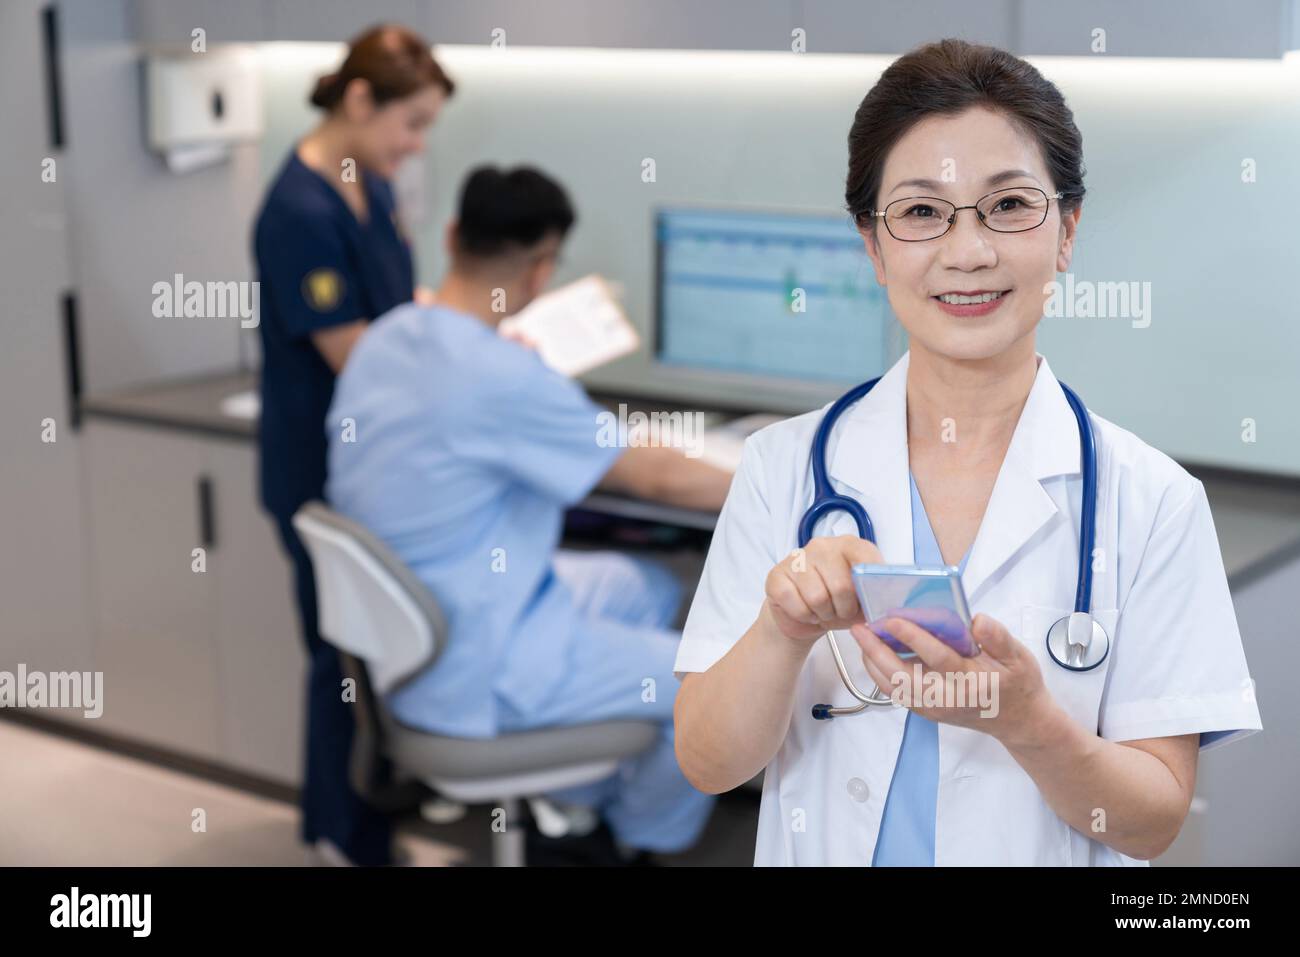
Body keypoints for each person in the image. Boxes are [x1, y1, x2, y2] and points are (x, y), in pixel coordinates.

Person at [672, 38, 1263, 867]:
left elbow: (1153, 820)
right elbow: (706, 762)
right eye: (920, 212)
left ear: (1067, 232)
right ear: (873, 248)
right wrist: (781, 629)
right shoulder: (783, 469)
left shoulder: (1153, 502)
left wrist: (1030, 721)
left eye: (1010, 205)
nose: (968, 251)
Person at [326, 165, 733, 862]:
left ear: (452, 236)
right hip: (482, 661)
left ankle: (569, 810)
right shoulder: (504, 377)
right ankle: (629, 843)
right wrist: (780, 483)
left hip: (424, 632)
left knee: (656, 585)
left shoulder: (387, 338)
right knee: (715, 681)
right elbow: (655, 475)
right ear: (543, 270)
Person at [252, 24, 454, 866]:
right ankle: (342, 838)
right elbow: (356, 355)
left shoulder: (368, 184)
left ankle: (364, 825)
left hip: (372, 465)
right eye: (408, 124)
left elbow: (397, 309)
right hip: (317, 472)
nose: (413, 147)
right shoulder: (299, 210)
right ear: (358, 99)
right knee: (341, 659)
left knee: (374, 657)